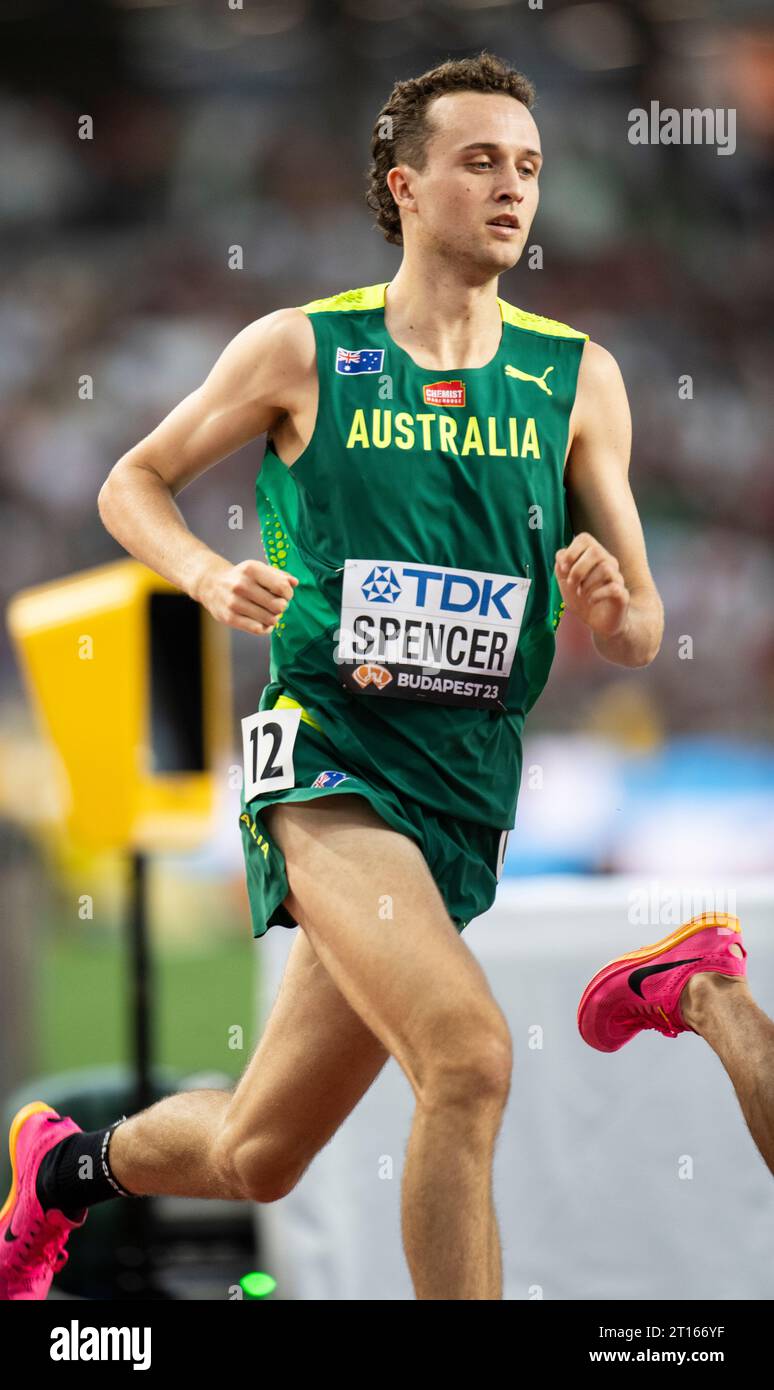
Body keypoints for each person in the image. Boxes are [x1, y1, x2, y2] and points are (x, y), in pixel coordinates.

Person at [2, 51, 670, 1301]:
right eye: (480, 162)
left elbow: (641, 633)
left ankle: (64, 1171)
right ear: (404, 186)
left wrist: (615, 603)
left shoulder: (578, 380)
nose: (513, 189)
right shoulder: (303, 348)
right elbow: (127, 482)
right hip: (325, 757)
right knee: (469, 1058)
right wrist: (208, 576)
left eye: (528, 166)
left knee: (260, 1154)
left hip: (464, 787)